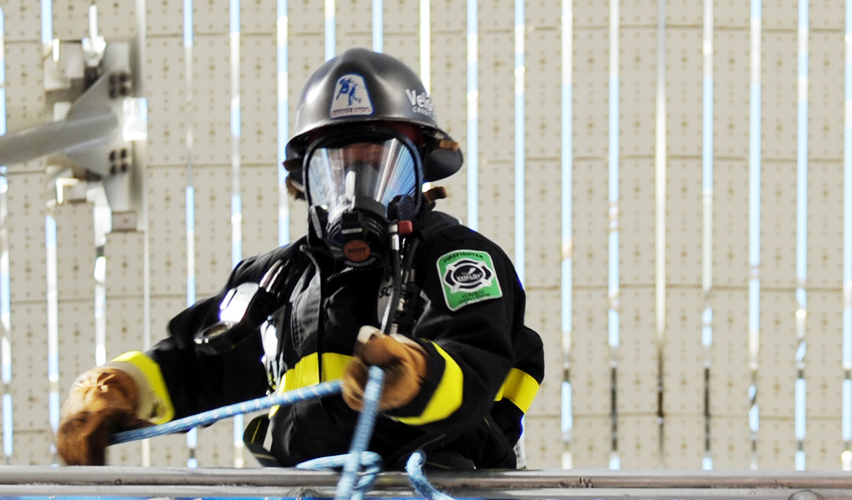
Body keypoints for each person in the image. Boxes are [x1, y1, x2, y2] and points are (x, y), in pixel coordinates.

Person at [55, 48, 544, 470]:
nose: (355, 192)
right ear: (303, 183)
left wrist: (414, 375)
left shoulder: (454, 260)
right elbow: (194, 366)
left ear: (420, 173)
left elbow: (473, 364)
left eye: (381, 167)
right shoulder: (273, 283)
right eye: (336, 171)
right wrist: (117, 388)